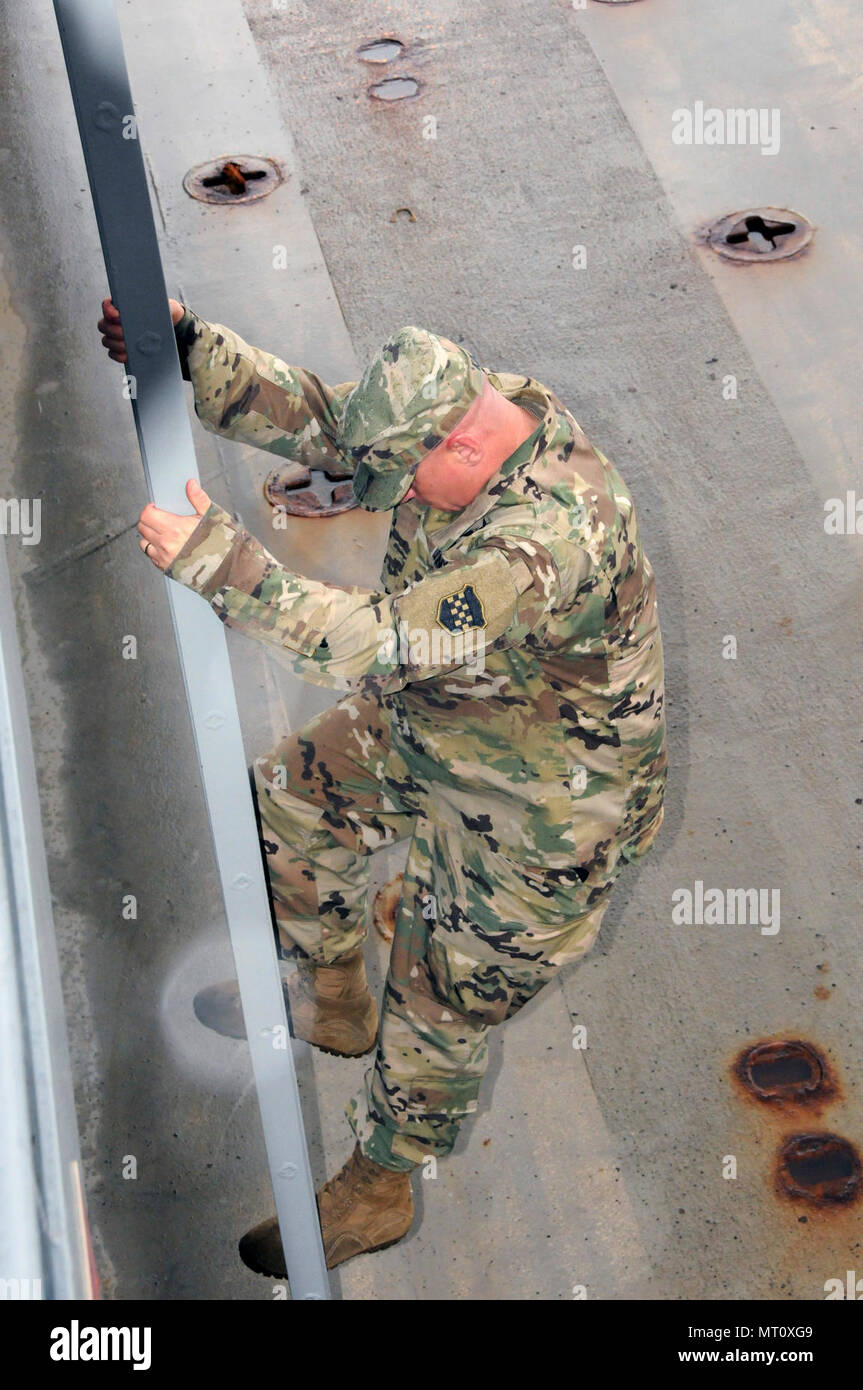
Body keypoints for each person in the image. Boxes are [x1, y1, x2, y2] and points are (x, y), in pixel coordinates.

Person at [97, 296, 668, 1276]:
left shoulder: (542, 544)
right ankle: (333, 998)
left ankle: (378, 1188)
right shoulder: (468, 409)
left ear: (458, 445)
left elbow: (379, 634)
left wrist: (224, 566)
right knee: (279, 802)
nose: (384, 493)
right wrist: (191, 350)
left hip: (544, 818)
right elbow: (326, 418)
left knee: (439, 1000)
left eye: (402, 481)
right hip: (446, 714)